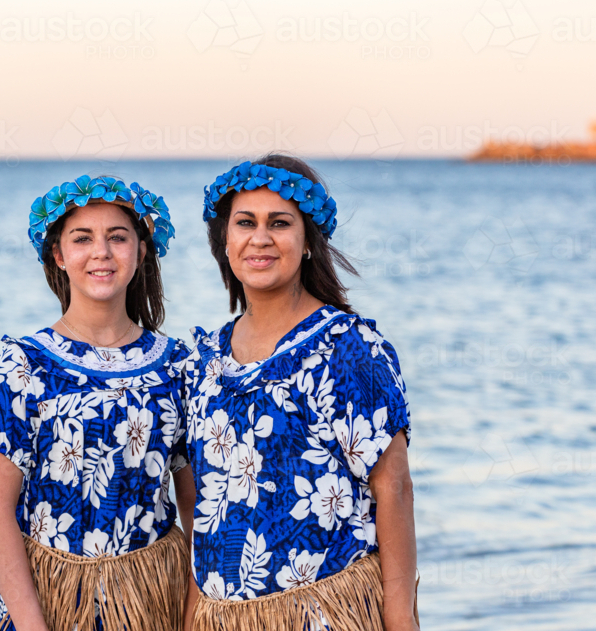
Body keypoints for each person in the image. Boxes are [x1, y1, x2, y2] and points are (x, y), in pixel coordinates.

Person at [177, 155, 419, 631]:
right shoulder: (205, 364)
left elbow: (393, 488)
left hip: (324, 613)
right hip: (220, 619)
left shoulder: (345, 348)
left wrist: (399, 616)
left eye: (280, 223)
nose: (260, 238)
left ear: (308, 241)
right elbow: (205, 510)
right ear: (224, 241)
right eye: (245, 222)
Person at [0, 175, 192, 631]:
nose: (102, 252)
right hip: (52, 602)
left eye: (118, 237)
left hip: (152, 600)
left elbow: (196, 508)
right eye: (82, 238)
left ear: (142, 250)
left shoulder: (175, 365)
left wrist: (192, 614)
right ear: (58, 254)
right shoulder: (24, 363)